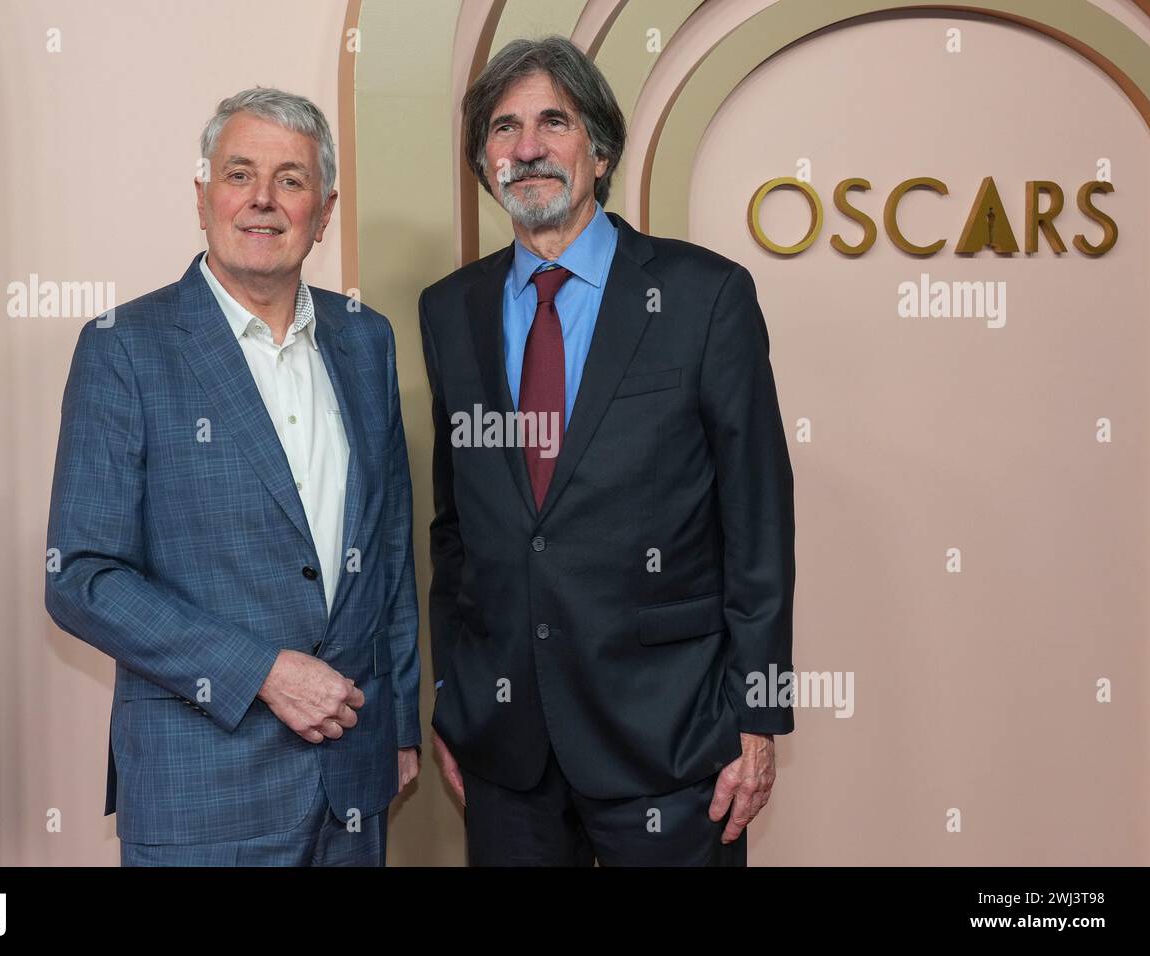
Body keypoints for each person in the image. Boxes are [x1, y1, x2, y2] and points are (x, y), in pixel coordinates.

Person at [419, 37, 796, 866]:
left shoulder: (705, 297)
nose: (527, 148)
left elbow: (758, 520)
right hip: (507, 750)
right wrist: (453, 698)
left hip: (671, 741)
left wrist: (760, 716)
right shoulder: (450, 311)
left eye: (553, 121)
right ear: (486, 163)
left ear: (600, 147)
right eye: (504, 129)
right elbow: (458, 529)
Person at [46, 87, 420, 866]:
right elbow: (80, 576)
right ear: (203, 195)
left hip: (353, 779)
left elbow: (388, 556)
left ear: (323, 211)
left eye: (290, 179)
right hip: (202, 791)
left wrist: (401, 726)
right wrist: (263, 673)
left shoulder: (366, 341)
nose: (262, 199)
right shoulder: (125, 348)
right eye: (239, 173)